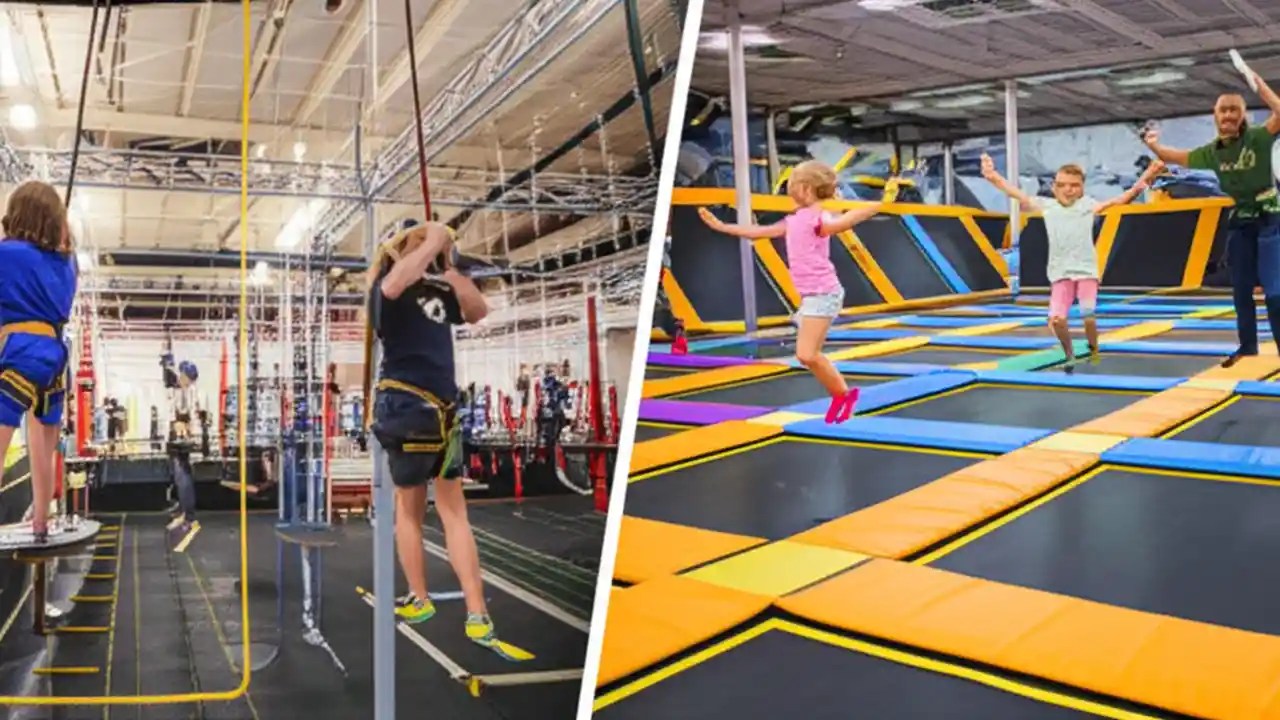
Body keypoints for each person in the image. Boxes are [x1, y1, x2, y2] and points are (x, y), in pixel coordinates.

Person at [367, 219, 527, 659]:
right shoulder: (385, 286)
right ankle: (420, 597)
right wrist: (431, 241)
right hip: (406, 406)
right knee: (410, 507)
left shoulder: (437, 290)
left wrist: (452, 270)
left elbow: (477, 311)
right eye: (417, 244)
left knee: (454, 510)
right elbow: (395, 284)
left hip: (444, 410)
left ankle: (477, 611)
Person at [696, 160, 900, 423]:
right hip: (810, 296)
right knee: (807, 354)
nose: (788, 190)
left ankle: (844, 395)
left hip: (823, 294)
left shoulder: (819, 217)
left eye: (792, 186)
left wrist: (875, 206)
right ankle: (841, 395)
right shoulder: (794, 220)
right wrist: (722, 227)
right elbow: (757, 232)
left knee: (806, 354)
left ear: (805, 189)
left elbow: (841, 223)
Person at [980, 155, 1166, 372]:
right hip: (1060, 274)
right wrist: (991, 175)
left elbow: (1125, 197)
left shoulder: (1088, 206)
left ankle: (1093, 348)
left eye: (1074, 186)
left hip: (1086, 272)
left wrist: (1148, 174)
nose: (1068, 190)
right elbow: (1013, 191)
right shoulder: (1047, 206)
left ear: (1082, 188)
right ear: (1054, 187)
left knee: (1088, 316)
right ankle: (1069, 354)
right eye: (1062, 185)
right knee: (1056, 320)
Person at [1143, 77, 1280, 367]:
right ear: (1215, 116)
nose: (1228, 115)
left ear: (1243, 115)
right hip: (1241, 221)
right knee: (1240, 289)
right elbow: (1176, 157)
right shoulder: (1213, 152)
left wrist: (1259, 85)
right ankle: (1248, 346)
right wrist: (1154, 145)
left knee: (1275, 292)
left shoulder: (1258, 137)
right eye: (1223, 110)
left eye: (1234, 109)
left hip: (1270, 219)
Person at [0, 181, 78, 543]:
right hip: (54, 356)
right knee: (43, 442)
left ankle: (41, 520)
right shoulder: (68, 264)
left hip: (19, 349)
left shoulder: (7, 254)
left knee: (3, 429)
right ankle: (41, 522)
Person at [166, 360, 201, 544]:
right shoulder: (181, 392)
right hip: (179, 442)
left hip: (184, 445)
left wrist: (185, 430)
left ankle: (189, 517)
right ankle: (183, 512)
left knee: (184, 480)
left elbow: (189, 416)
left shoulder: (191, 393)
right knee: (179, 479)